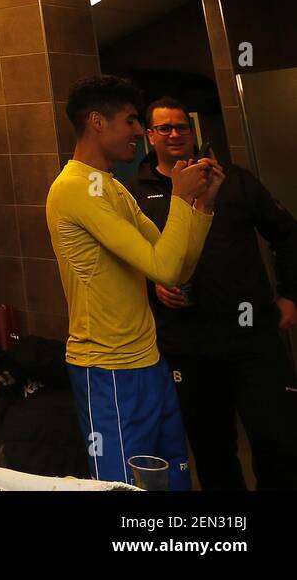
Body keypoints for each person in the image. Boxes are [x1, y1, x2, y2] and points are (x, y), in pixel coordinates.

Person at [46, 76, 222, 489]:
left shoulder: (113, 188)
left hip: (148, 360)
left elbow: (175, 267)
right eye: (131, 121)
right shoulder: (75, 189)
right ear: (97, 122)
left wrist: (202, 206)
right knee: (123, 486)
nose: (140, 133)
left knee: (171, 476)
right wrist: (180, 197)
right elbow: (162, 267)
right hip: (107, 368)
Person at [130, 97, 297, 489]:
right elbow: (127, 259)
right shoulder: (134, 191)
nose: (174, 134)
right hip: (187, 344)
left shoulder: (233, 180)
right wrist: (153, 286)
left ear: (192, 132)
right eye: (164, 128)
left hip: (252, 336)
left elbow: (287, 234)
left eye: (181, 127)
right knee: (212, 450)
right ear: (150, 137)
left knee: (279, 442)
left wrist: (290, 294)